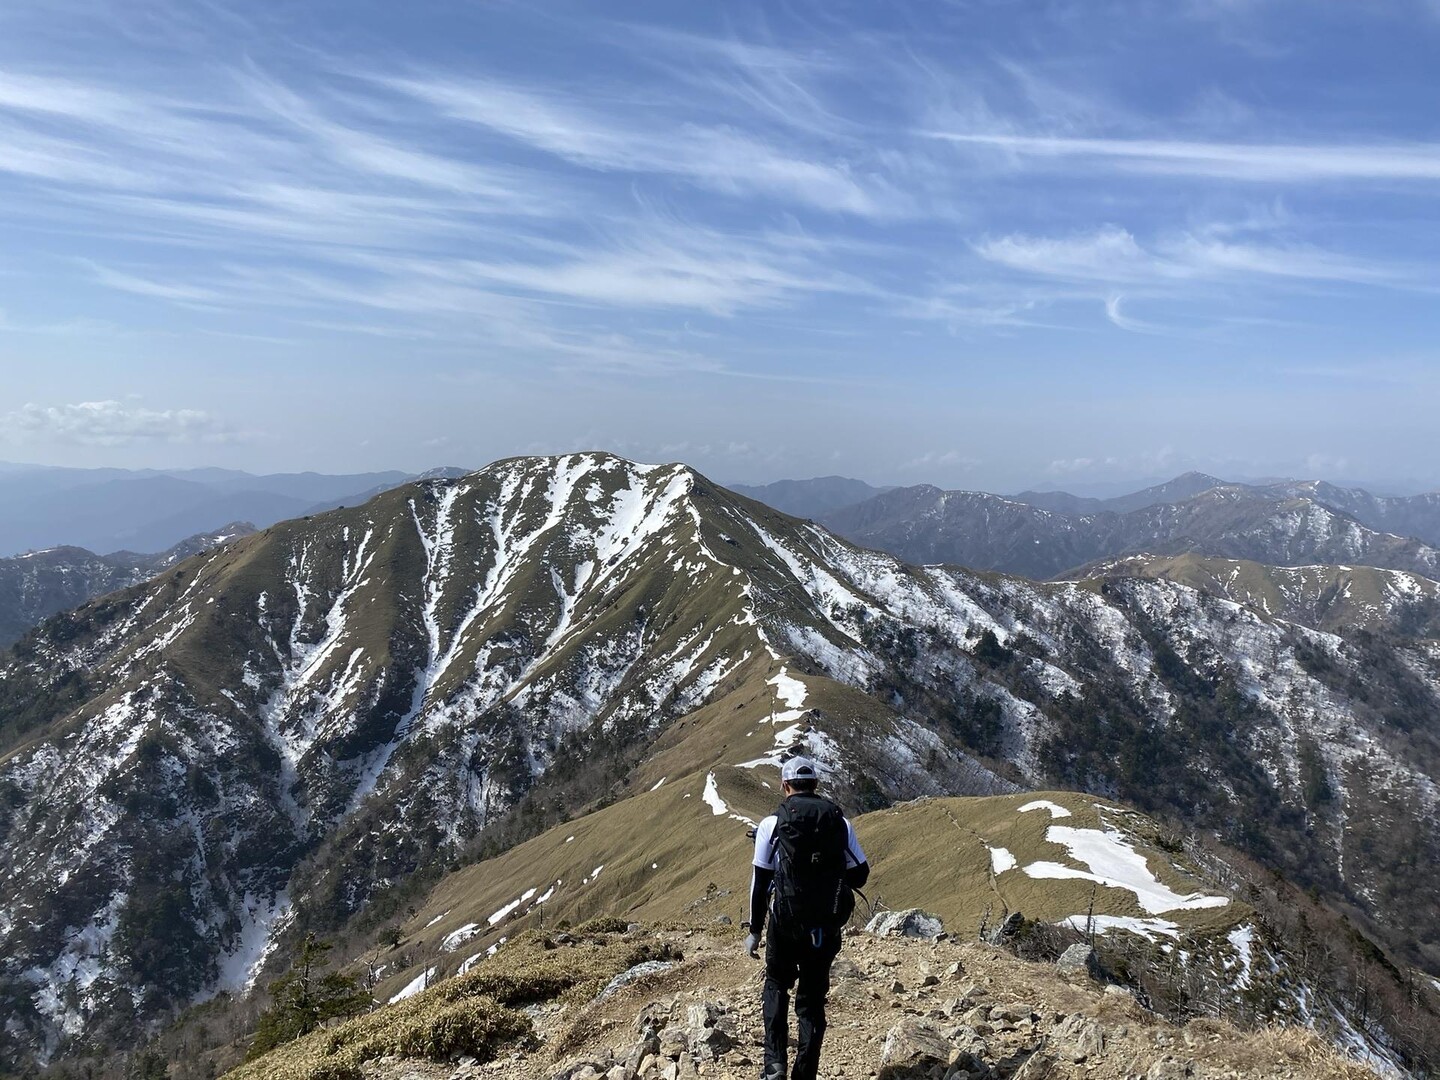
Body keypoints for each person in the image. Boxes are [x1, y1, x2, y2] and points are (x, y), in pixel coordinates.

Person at [744, 757, 869, 1080]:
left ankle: (774, 1064)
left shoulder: (773, 824)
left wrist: (755, 930)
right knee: (812, 1002)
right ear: (815, 784)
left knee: (776, 984)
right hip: (825, 925)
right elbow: (861, 875)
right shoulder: (839, 823)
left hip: (784, 922)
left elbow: (760, 882)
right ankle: (804, 1074)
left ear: (785, 786)